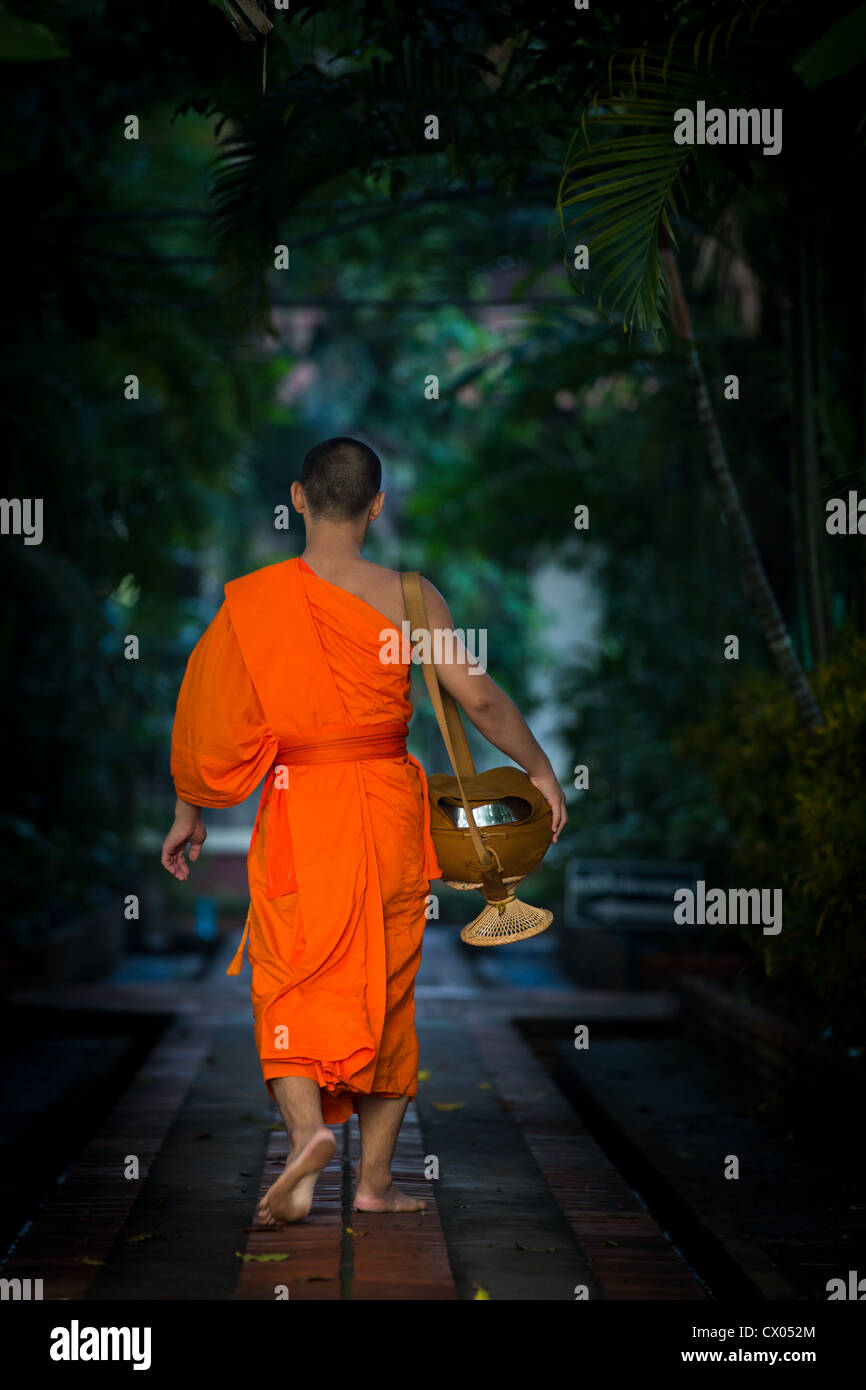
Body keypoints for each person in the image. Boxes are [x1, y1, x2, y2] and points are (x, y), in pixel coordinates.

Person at [160, 437, 567, 1225]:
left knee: (288, 973)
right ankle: (375, 1186)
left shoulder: (253, 599)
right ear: (378, 505)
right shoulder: (411, 599)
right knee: (386, 985)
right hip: (387, 807)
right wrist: (542, 771)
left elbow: (206, 712)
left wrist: (190, 810)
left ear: (299, 498)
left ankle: (309, 1136)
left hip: (299, 801)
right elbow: (478, 700)